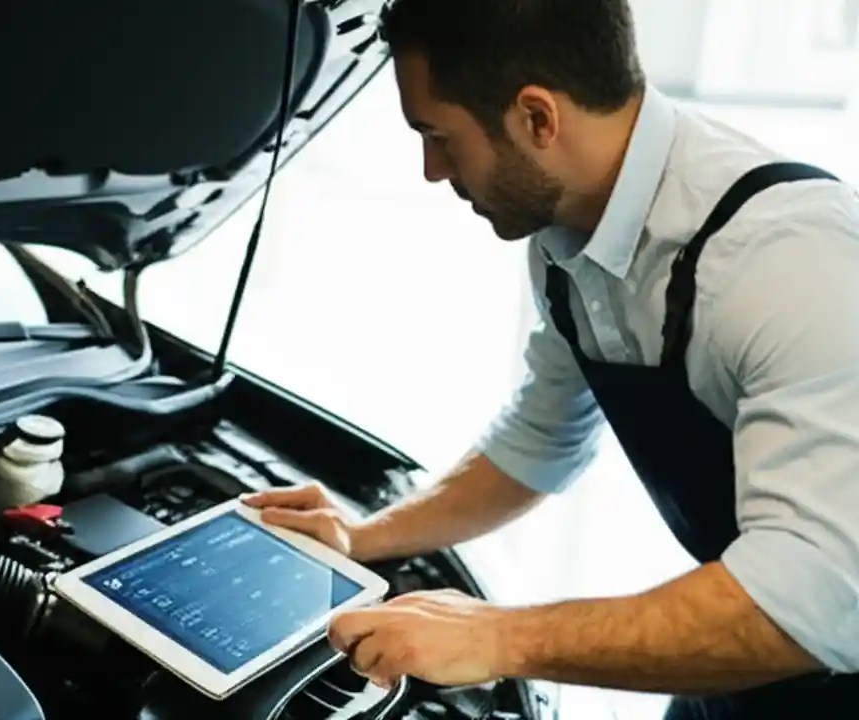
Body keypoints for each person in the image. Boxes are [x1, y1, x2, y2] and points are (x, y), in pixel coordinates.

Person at [241, 0, 859, 718]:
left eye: (439, 137)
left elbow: (814, 598)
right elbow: (539, 441)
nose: (432, 171)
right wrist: (363, 536)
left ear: (537, 118)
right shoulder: (567, 235)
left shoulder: (786, 259)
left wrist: (498, 638)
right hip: (746, 674)